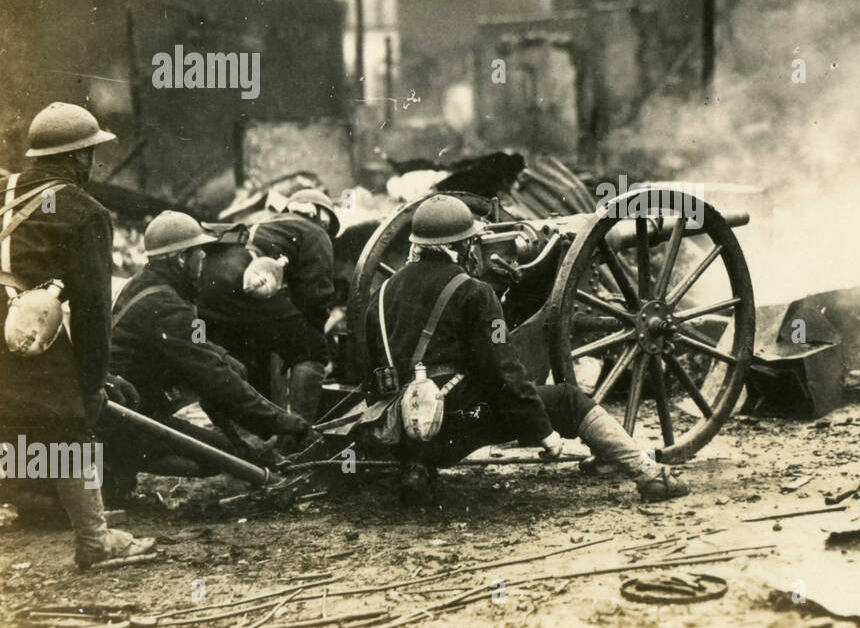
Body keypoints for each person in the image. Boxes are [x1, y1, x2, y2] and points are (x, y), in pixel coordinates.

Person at [364, 194, 688, 506]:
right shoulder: (474, 293)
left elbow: (368, 372)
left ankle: (417, 467)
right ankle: (649, 474)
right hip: (454, 424)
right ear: (462, 246)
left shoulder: (381, 294)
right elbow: (502, 371)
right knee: (569, 400)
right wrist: (542, 431)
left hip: (399, 432)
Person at [0, 102, 153, 567]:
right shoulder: (85, 210)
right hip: (24, 329)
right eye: (91, 154)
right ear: (78, 157)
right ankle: (94, 540)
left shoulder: (3, 189)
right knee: (68, 429)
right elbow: (92, 311)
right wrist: (90, 383)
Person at [106, 212, 315, 499]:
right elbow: (211, 376)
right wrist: (283, 422)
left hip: (128, 406)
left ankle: (117, 463)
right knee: (215, 458)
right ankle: (116, 463)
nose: (203, 259)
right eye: (198, 253)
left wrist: (226, 358)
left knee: (227, 382)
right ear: (181, 259)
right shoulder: (165, 305)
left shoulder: (148, 287)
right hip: (128, 418)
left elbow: (201, 347)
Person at [197, 188, 337, 425]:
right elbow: (316, 293)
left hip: (208, 284)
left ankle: (238, 433)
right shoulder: (315, 232)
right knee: (312, 349)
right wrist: (312, 330)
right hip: (247, 280)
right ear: (320, 215)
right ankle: (299, 436)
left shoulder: (267, 221)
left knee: (242, 356)